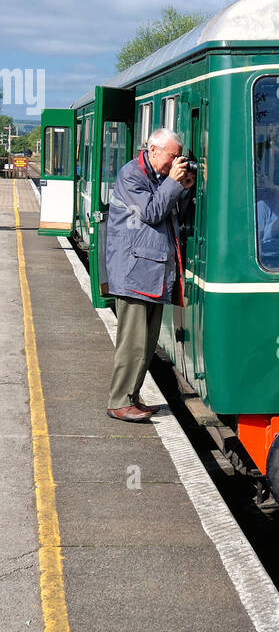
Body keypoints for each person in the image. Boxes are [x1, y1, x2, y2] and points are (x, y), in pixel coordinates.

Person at [104, 127, 195, 422]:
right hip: (133, 273)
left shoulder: (157, 177)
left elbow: (172, 215)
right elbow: (152, 212)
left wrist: (184, 187)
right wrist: (173, 183)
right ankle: (119, 401)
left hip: (152, 272)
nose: (175, 162)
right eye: (172, 156)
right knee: (132, 344)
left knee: (146, 344)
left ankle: (132, 396)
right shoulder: (132, 175)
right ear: (153, 150)